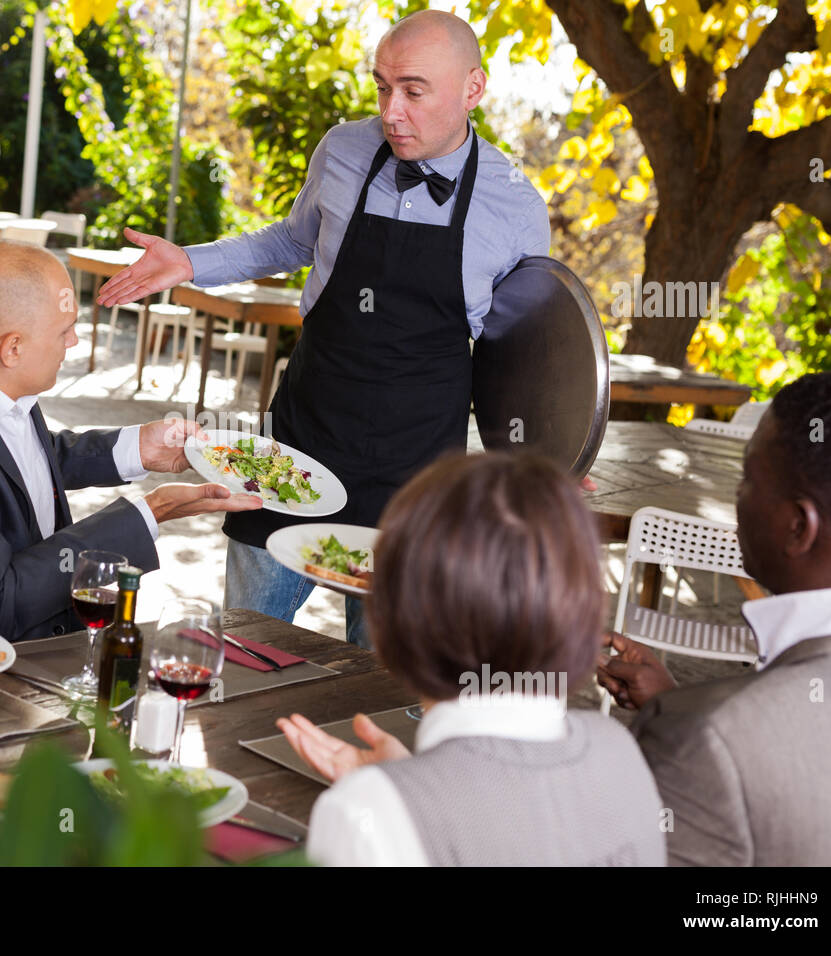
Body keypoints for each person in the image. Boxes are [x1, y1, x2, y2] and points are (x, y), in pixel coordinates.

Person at [96, 10, 551, 647]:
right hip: (297, 450)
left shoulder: (516, 205)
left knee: (384, 683)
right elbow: (289, 241)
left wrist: (542, 456)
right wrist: (191, 262)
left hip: (416, 475)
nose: (392, 111)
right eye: (382, 87)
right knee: (242, 649)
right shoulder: (343, 148)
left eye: (414, 91)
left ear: (474, 89)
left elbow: (522, 356)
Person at [0, 240, 261, 642]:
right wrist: (152, 511)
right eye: (65, 331)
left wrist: (136, 448)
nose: (74, 343)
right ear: (12, 347)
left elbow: (14, 460)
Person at [275, 451, 665, 866]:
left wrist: (392, 796)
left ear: (392, 626)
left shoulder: (363, 811)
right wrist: (405, 783)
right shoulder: (621, 751)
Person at [598, 372, 831, 866]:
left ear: (797, 527)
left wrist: (689, 725)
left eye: (747, 479)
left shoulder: (697, 734)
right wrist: (676, 701)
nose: (736, 498)